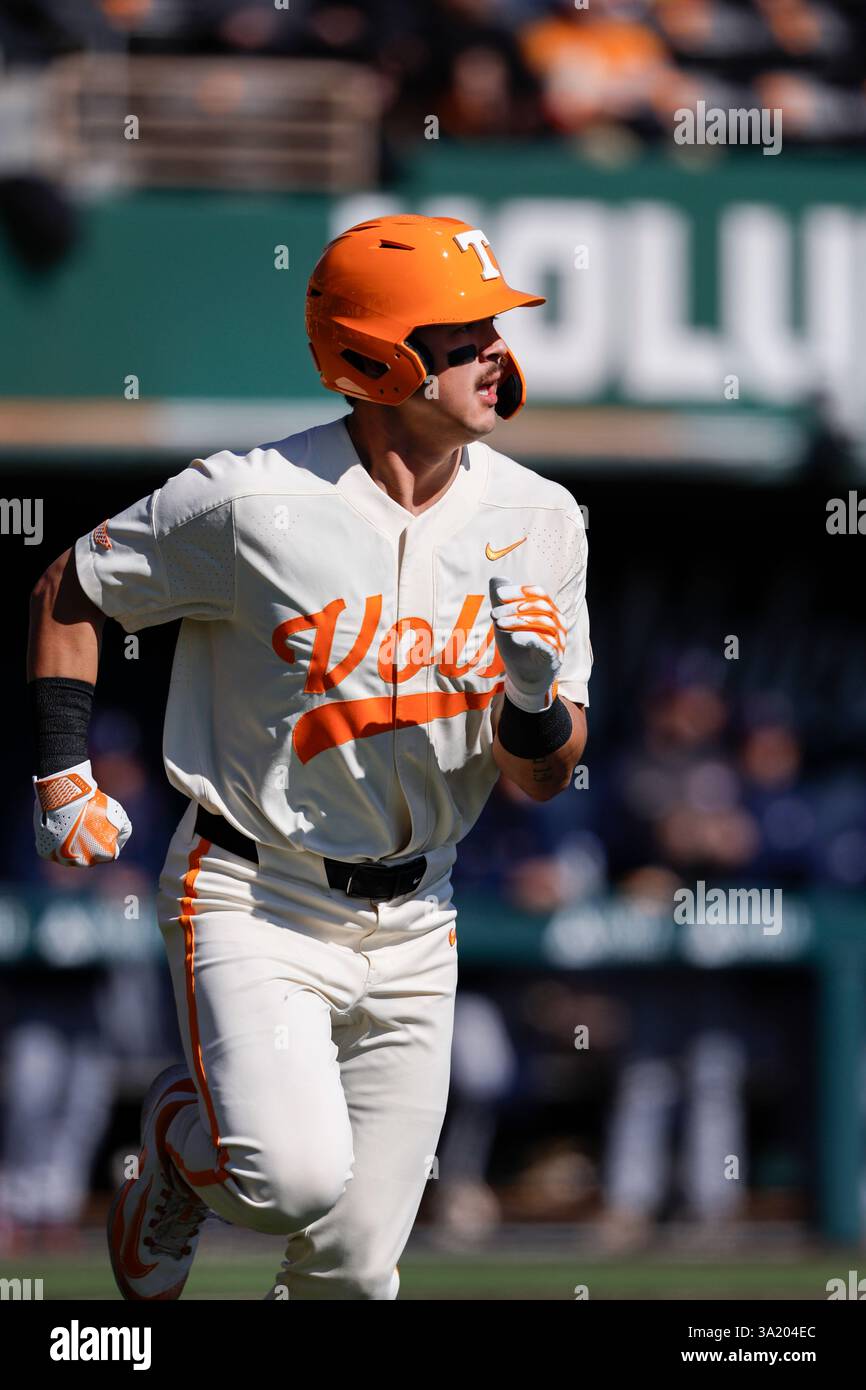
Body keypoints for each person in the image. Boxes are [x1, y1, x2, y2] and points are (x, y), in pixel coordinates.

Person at [26, 213, 592, 1301]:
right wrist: (62, 768)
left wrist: (529, 696)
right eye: (459, 332)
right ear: (377, 359)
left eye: (491, 328)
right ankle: (177, 1149)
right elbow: (68, 587)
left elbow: (541, 771)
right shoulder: (248, 501)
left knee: (351, 1266)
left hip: (420, 916)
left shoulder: (542, 517)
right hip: (255, 889)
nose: (492, 351)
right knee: (288, 1180)